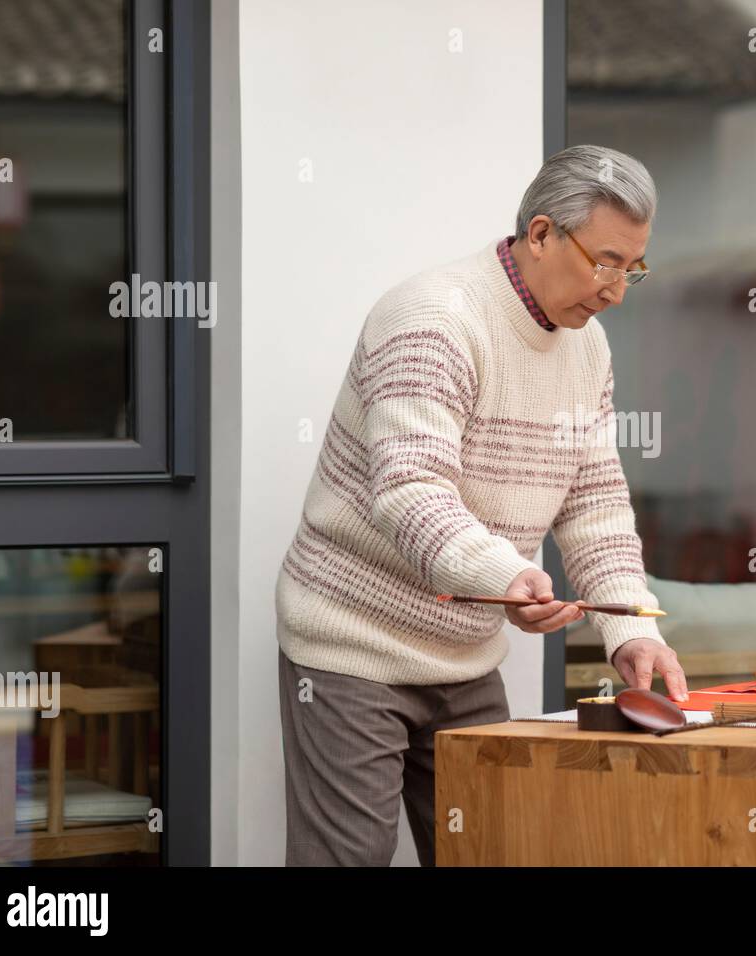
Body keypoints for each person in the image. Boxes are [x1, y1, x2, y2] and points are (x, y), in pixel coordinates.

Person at [275, 144, 689, 866]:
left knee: (490, 852)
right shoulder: (434, 318)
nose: (618, 290)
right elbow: (409, 488)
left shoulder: (588, 350)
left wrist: (629, 626)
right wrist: (504, 576)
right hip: (351, 646)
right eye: (606, 261)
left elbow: (593, 501)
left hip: (464, 659)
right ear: (539, 234)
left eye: (633, 268)